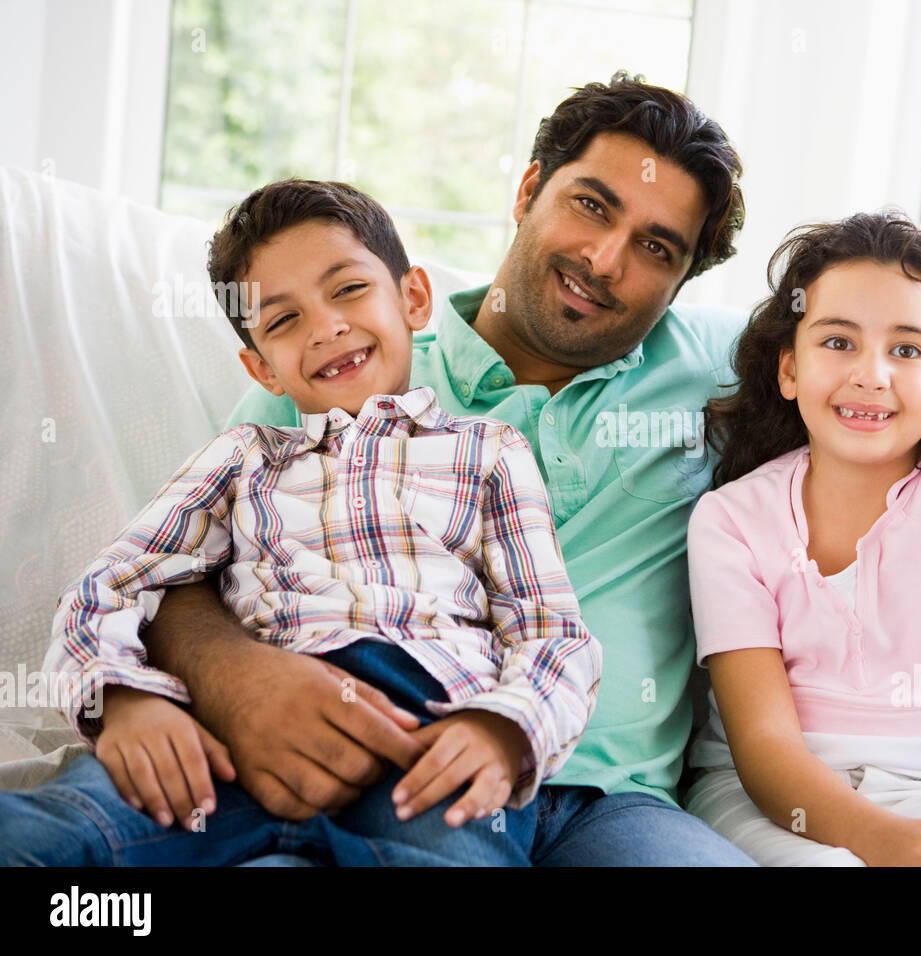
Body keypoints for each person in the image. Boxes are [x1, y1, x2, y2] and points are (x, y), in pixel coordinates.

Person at [128, 74, 756, 865]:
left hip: (607, 803)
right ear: (530, 188)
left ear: (682, 281)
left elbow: (894, 333)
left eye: (656, 248)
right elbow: (173, 571)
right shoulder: (348, 364)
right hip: (385, 769)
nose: (604, 259)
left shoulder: (724, 370)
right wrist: (240, 679)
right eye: (591, 205)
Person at [0, 180, 604, 865]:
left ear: (413, 299)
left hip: (427, 734)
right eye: (284, 321)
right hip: (233, 742)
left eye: (348, 290)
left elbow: (552, 629)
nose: (325, 327)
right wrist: (124, 700)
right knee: (45, 836)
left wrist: (506, 729)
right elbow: (108, 586)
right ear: (262, 367)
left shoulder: (488, 453)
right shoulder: (243, 457)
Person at [682, 213, 921, 865]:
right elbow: (764, 747)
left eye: (908, 350)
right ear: (789, 369)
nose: (872, 374)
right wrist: (877, 838)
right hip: (762, 797)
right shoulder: (730, 520)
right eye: (838, 342)